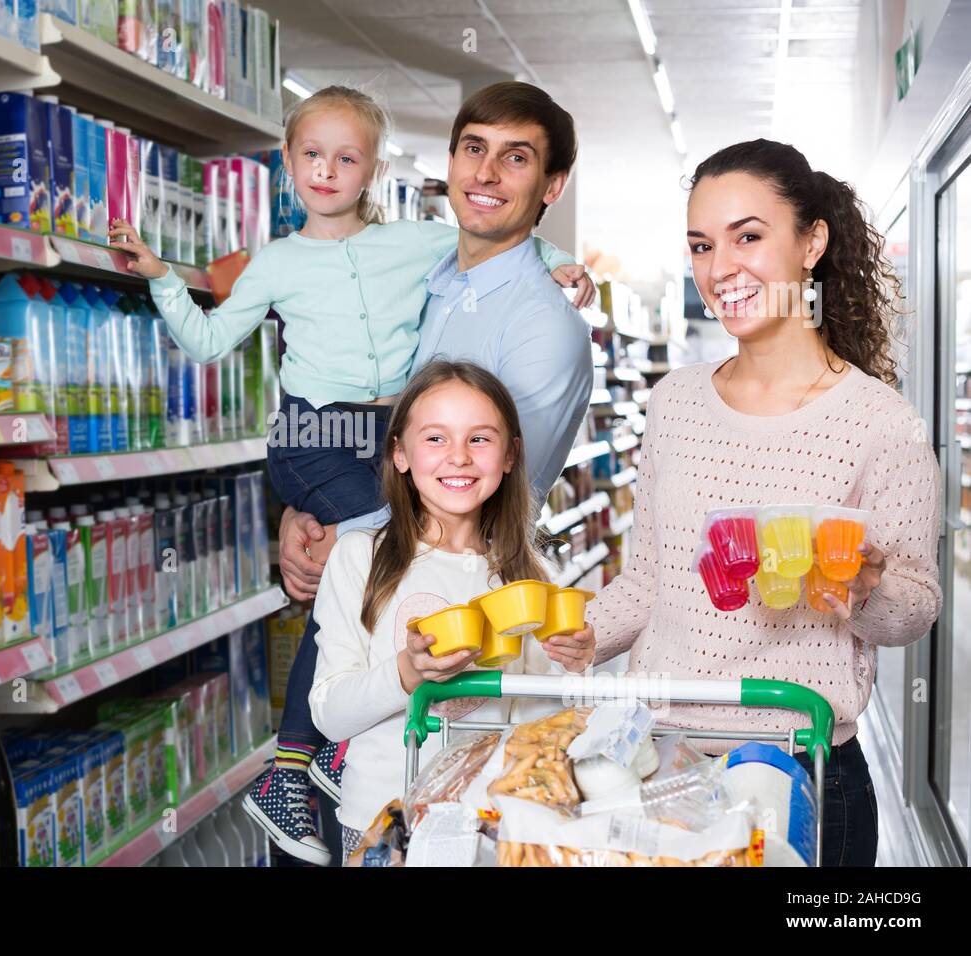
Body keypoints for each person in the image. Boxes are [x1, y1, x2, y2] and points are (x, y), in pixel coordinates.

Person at [116, 82, 596, 864]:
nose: (487, 172)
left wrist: (343, 537)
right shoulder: (437, 273)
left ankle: (294, 767)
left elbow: (486, 501)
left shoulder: (531, 316)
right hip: (330, 477)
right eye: (474, 149)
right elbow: (239, 359)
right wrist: (302, 514)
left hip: (434, 689)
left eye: (517, 158)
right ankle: (297, 771)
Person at [571, 139, 942, 867]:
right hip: (659, 767)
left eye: (748, 236)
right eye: (702, 245)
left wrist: (865, 583)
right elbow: (651, 581)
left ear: (812, 242)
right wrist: (575, 639)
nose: (720, 269)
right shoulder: (673, 402)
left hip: (804, 772)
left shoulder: (880, 422)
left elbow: (916, 608)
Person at [308, 360, 595, 858]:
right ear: (400, 453)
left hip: (489, 825)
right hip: (383, 820)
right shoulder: (360, 558)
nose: (458, 457)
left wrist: (571, 664)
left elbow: (538, 721)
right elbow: (330, 716)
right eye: (436, 439)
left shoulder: (526, 581)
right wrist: (407, 671)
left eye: (480, 439)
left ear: (510, 456)